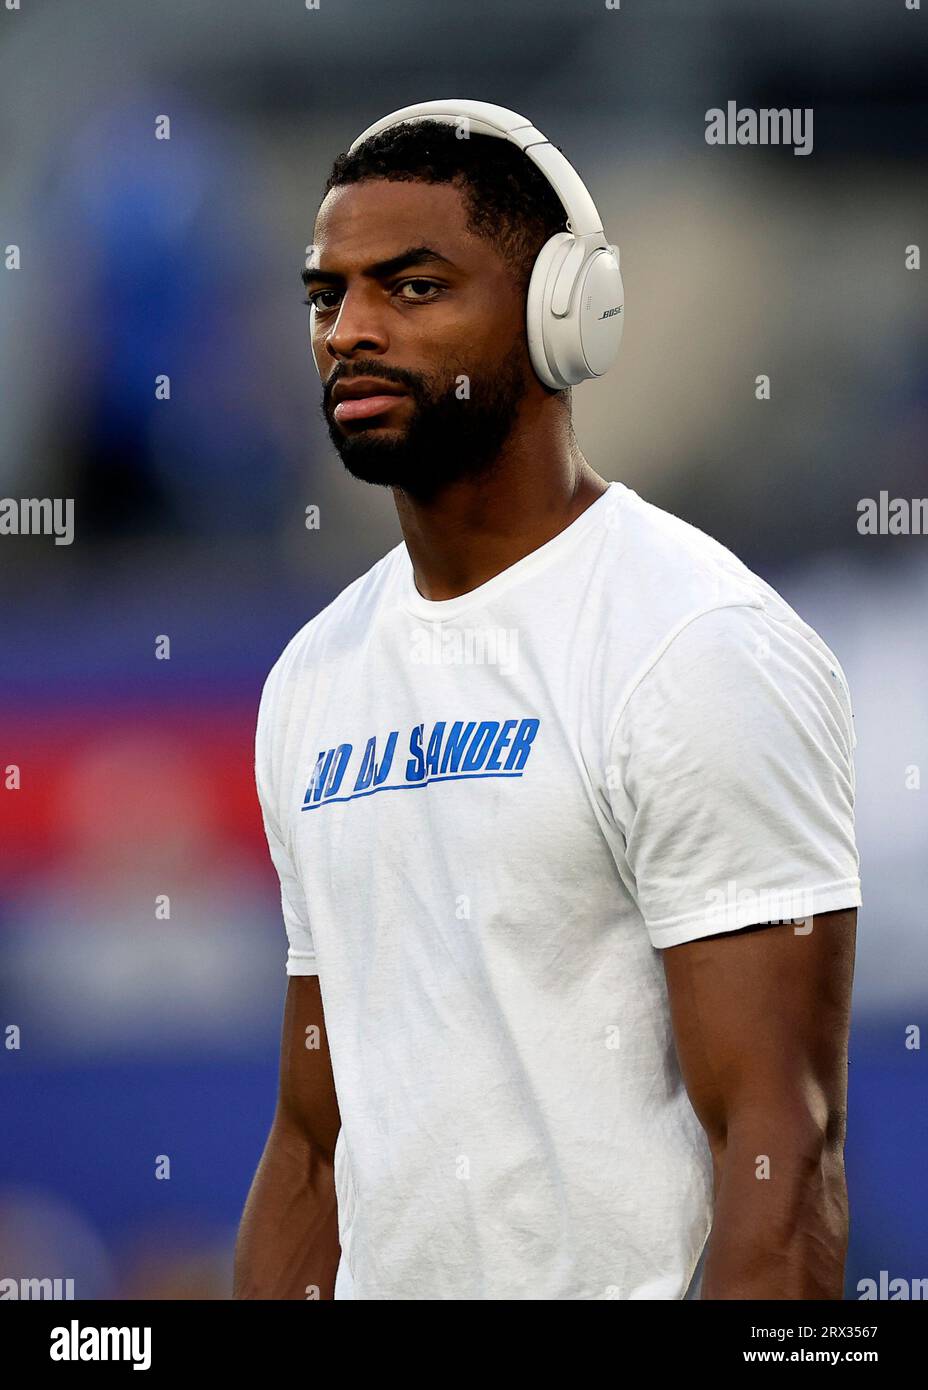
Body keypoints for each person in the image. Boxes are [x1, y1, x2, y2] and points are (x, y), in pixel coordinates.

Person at [234, 104, 861, 1301]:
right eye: (328, 297)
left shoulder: (690, 644)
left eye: (411, 288)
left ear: (560, 316)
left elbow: (783, 1154)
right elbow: (315, 1145)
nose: (350, 331)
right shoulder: (312, 678)